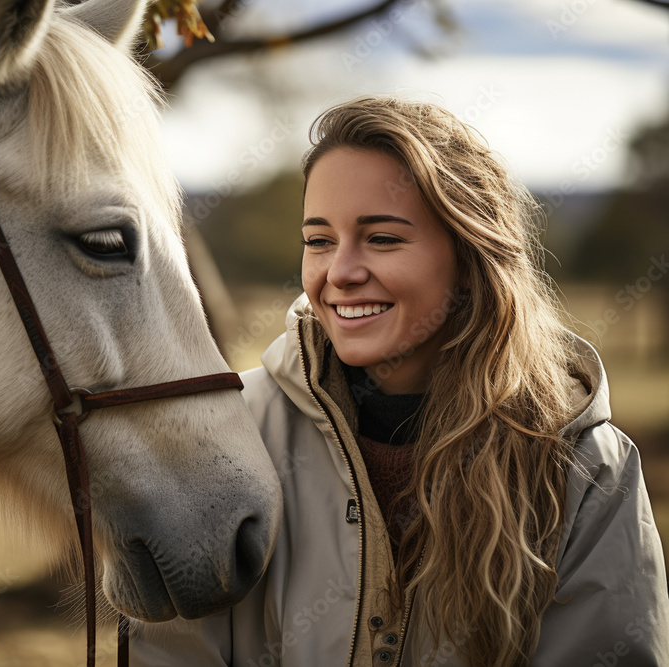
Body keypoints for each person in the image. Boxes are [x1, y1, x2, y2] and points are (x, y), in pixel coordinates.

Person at [130, 96, 669, 666]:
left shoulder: (582, 465)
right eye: (319, 240)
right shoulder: (229, 435)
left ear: (470, 254)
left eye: (383, 238)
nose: (340, 273)